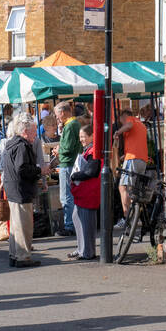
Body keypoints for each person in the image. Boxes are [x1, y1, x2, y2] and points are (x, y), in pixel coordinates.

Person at [0, 110, 46, 268]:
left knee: (16, 224)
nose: (35, 135)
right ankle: (23, 256)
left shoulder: (12, 143)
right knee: (23, 225)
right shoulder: (22, 146)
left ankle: (15, 254)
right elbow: (22, 169)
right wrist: (40, 170)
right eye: (33, 131)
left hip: (13, 188)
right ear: (25, 131)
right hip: (20, 189)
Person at [67, 122, 101, 260]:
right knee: (77, 217)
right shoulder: (89, 150)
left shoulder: (93, 152)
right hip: (85, 192)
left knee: (85, 222)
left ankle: (87, 251)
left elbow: (92, 171)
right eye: (80, 137)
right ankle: (82, 248)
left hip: (89, 192)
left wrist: (75, 176)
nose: (81, 139)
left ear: (92, 136)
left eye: (84, 136)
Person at [112, 108, 149, 228]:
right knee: (133, 190)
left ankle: (126, 218)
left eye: (120, 120)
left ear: (124, 116)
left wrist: (117, 132)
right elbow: (137, 144)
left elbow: (128, 125)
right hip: (142, 160)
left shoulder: (130, 120)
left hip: (133, 158)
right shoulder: (141, 124)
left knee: (123, 187)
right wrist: (125, 155)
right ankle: (135, 218)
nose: (121, 122)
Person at [55, 101, 80, 237]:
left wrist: (58, 150)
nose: (57, 117)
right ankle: (72, 223)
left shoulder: (70, 126)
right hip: (72, 162)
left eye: (57, 114)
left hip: (67, 163)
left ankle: (69, 225)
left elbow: (68, 147)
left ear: (63, 112)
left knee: (66, 196)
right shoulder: (74, 123)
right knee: (71, 195)